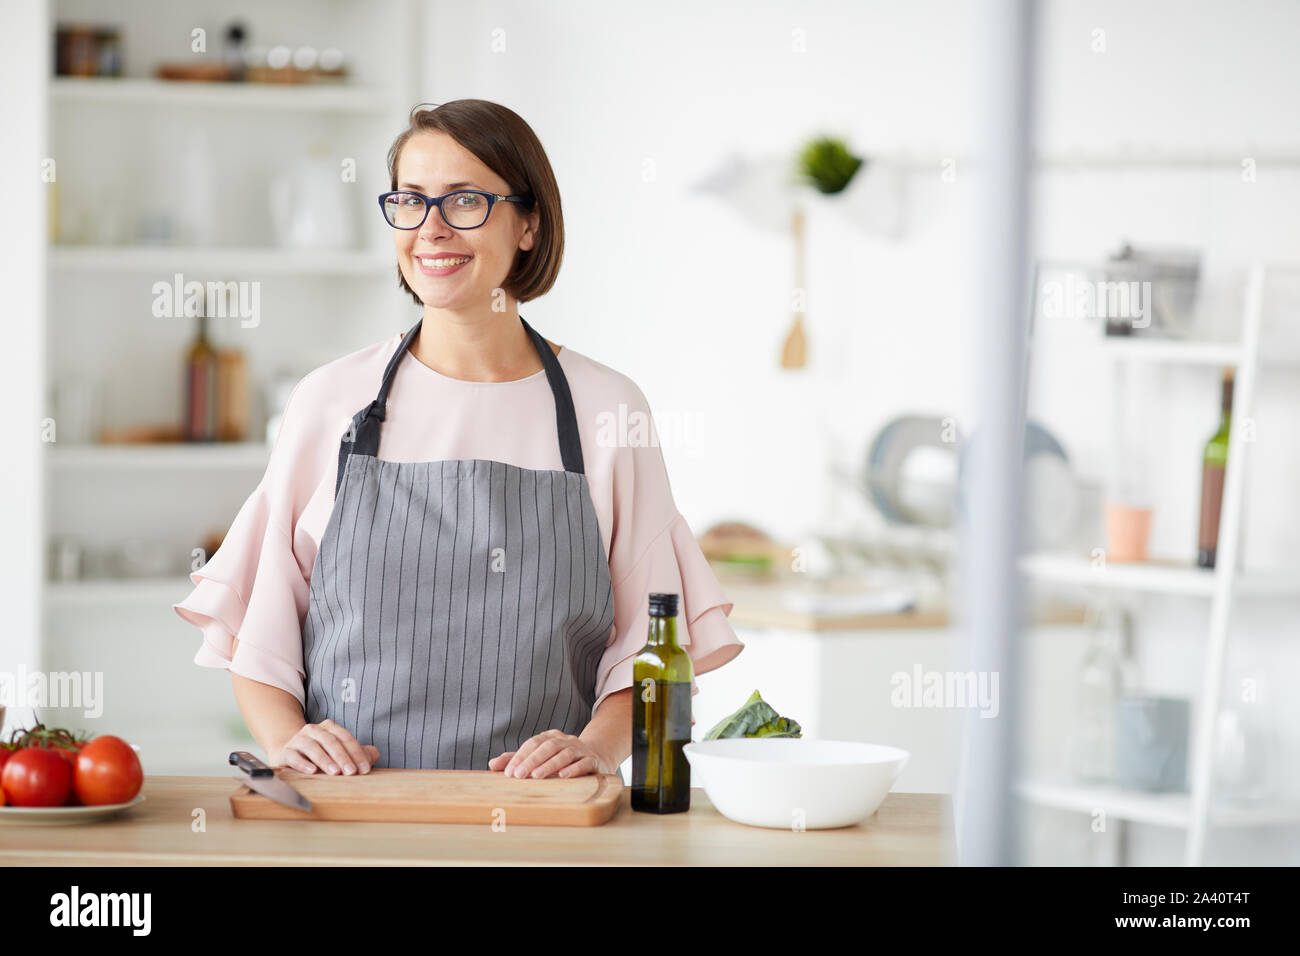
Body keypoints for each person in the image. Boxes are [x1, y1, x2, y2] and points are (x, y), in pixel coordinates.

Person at [173, 99, 744, 779]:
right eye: (410, 202)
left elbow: (652, 652)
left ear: (529, 223)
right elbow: (260, 630)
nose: (432, 229)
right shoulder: (328, 401)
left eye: (465, 201)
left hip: (544, 825)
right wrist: (284, 738)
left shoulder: (608, 410)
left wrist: (596, 748)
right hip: (351, 818)